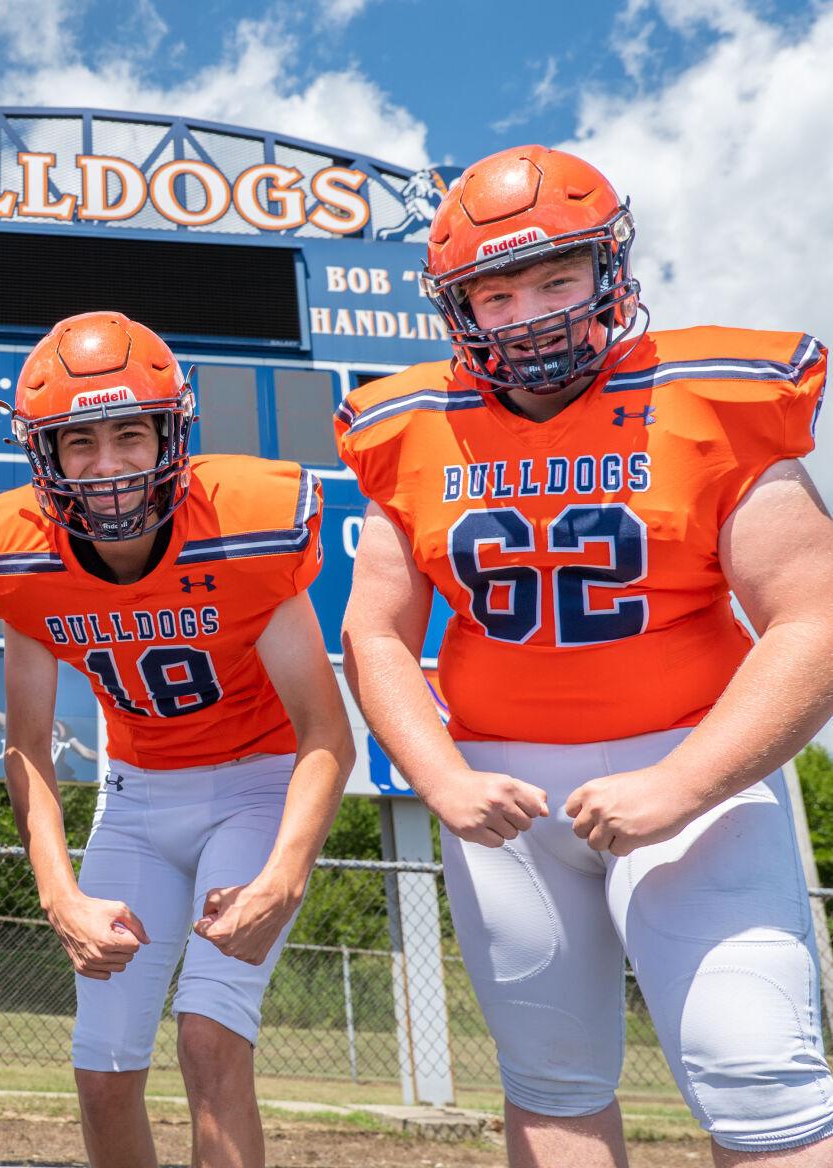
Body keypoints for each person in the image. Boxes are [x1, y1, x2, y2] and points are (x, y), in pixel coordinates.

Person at [337, 144, 833, 1166]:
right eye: (497, 289)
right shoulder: (405, 425)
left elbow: (812, 618)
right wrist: (438, 776)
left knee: (754, 1075)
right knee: (551, 1086)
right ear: (455, 307)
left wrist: (679, 782)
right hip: (504, 795)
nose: (529, 313)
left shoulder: (708, 394)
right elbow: (372, 631)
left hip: (695, 774)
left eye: (555, 277)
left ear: (609, 269)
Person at [0, 311, 355, 1168]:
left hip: (254, 787)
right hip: (137, 799)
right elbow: (29, 740)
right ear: (45, 455)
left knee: (211, 1042)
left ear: (169, 436)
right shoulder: (17, 554)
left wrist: (286, 873)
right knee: (102, 1069)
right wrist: (58, 894)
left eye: (128, 436)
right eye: (78, 443)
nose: (105, 467)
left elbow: (325, 729)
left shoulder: (245, 523)